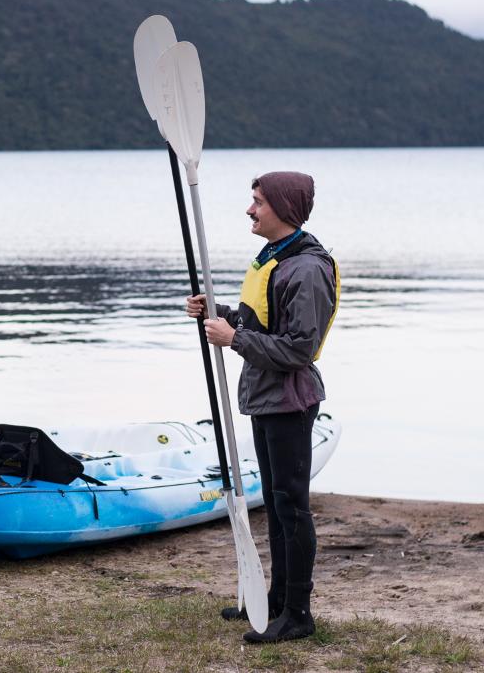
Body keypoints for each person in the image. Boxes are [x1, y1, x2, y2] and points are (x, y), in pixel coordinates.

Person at [185, 171, 338, 644]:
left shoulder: (307, 269)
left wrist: (234, 340)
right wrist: (221, 315)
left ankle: (299, 613)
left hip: (290, 402)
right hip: (266, 399)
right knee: (274, 503)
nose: (249, 210)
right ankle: (275, 601)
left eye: (257, 202)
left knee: (292, 506)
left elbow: (298, 350)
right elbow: (261, 325)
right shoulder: (273, 257)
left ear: (283, 208)